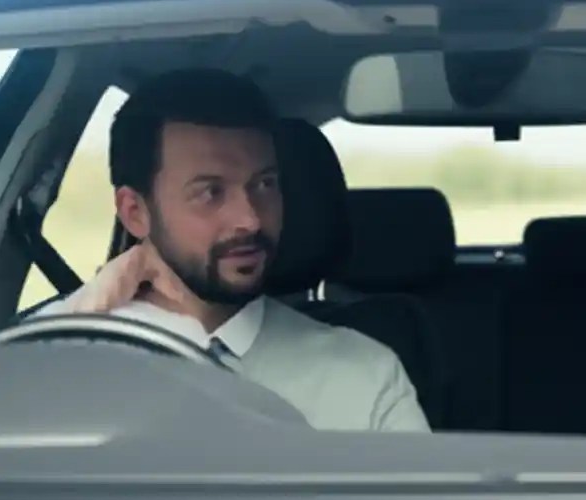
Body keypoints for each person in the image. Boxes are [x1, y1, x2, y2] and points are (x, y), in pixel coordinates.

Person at [33, 68, 431, 432]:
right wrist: (77, 319)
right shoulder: (54, 351)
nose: (251, 220)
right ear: (135, 213)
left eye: (264, 185)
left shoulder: (362, 375)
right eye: (210, 192)